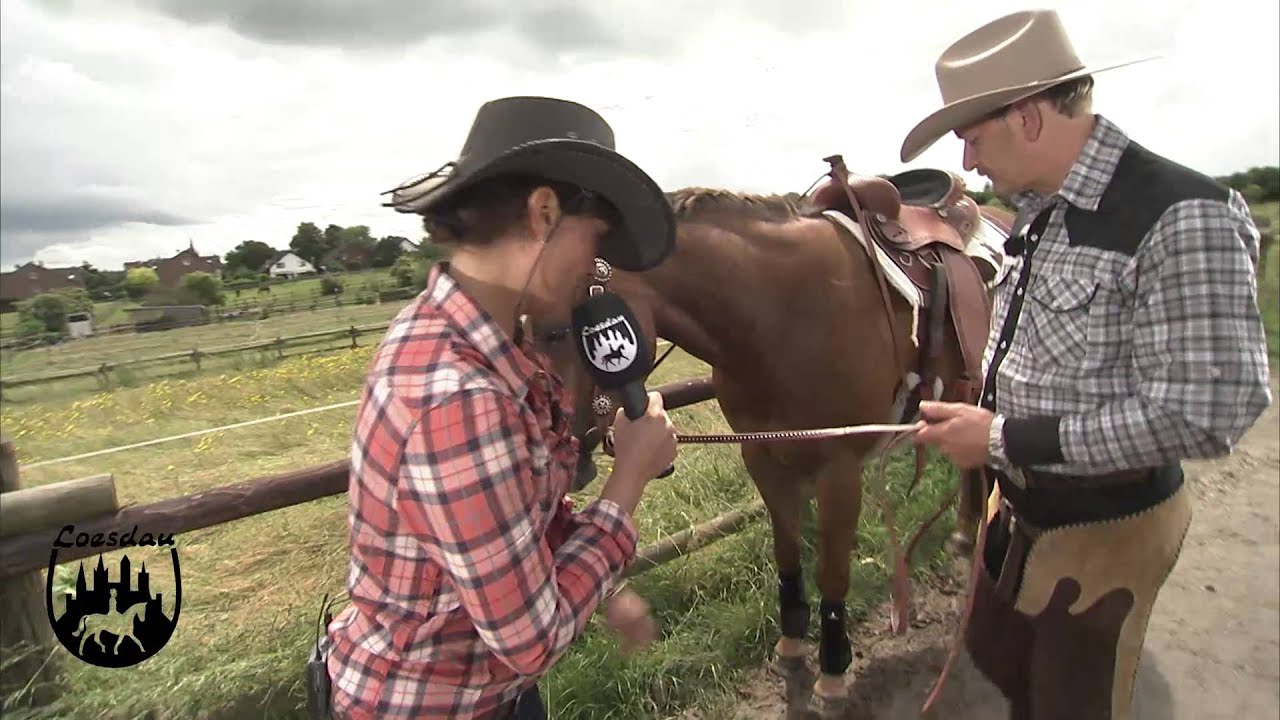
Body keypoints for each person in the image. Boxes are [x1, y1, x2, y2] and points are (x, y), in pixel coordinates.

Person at [903, 10, 1272, 720]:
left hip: (1104, 525)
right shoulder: (1044, 210)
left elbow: (1207, 414)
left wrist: (1000, 437)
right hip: (1025, 509)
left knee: (1074, 701)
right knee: (1003, 660)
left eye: (973, 138)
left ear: (1027, 118)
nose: (969, 164)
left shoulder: (1182, 215)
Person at [323, 96, 680, 720]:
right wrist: (629, 479)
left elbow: (514, 513)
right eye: (595, 243)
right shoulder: (461, 399)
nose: (595, 270)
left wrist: (604, 587)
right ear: (544, 213)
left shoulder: (471, 338)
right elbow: (530, 640)